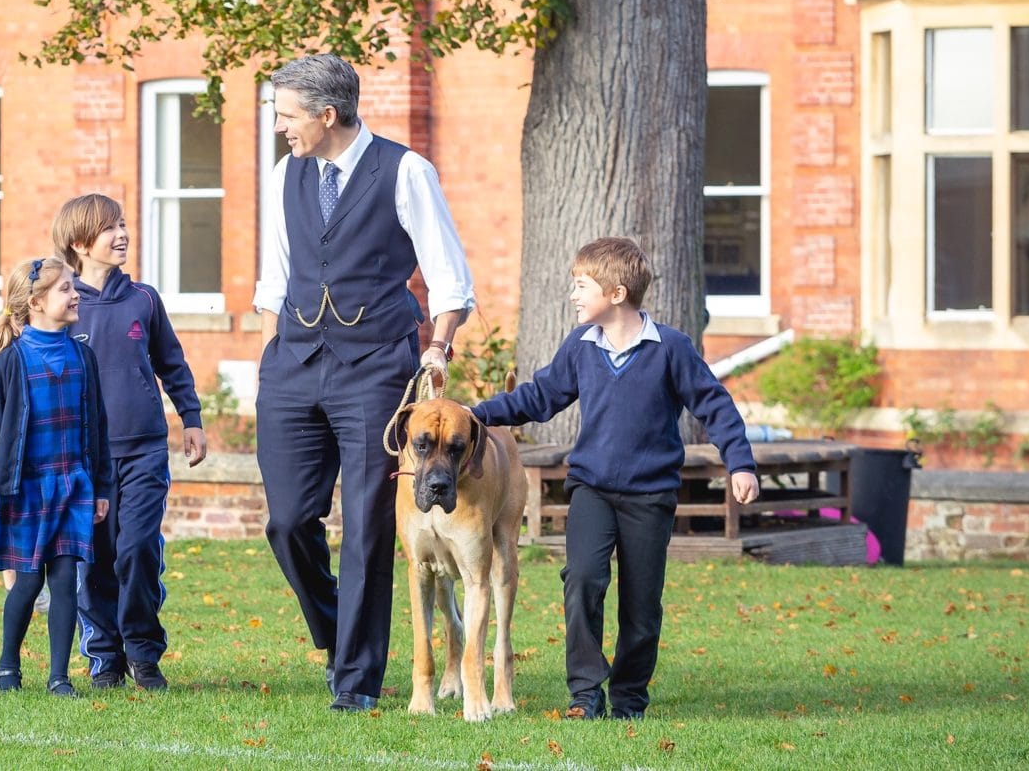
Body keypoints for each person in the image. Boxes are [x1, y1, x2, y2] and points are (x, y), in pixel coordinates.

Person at [254, 53, 477, 711]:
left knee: (368, 526)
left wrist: (438, 346)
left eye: (287, 116)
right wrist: (270, 361)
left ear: (328, 115)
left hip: (375, 369)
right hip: (293, 365)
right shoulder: (284, 174)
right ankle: (336, 631)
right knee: (288, 521)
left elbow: (449, 277)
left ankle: (356, 681)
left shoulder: (405, 171)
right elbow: (276, 276)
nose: (280, 128)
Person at [469, 237, 761, 720]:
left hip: (651, 496)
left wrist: (741, 463)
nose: (574, 295)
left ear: (617, 293)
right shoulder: (581, 347)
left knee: (641, 606)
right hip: (592, 489)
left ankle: (628, 698)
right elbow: (537, 398)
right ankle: (585, 693)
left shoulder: (671, 348)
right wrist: (476, 414)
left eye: (582, 286)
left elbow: (715, 405)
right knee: (582, 580)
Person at [50, 194, 206, 691]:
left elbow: (172, 364)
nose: (122, 235)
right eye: (108, 229)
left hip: (144, 450)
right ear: (79, 243)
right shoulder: (62, 304)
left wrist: (193, 419)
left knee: (137, 547)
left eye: (122, 225)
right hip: (82, 456)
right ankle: (104, 656)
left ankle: (142, 652)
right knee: (93, 555)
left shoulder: (145, 298)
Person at [0, 257, 113, 698]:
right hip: (24, 488)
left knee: (66, 578)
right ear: (37, 303)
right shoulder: (12, 361)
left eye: (73, 287)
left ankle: (59, 676)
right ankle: (8, 667)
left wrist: (102, 486)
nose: (75, 294)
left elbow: (98, 428)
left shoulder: (84, 355)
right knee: (27, 580)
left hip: (72, 485)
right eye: (66, 288)